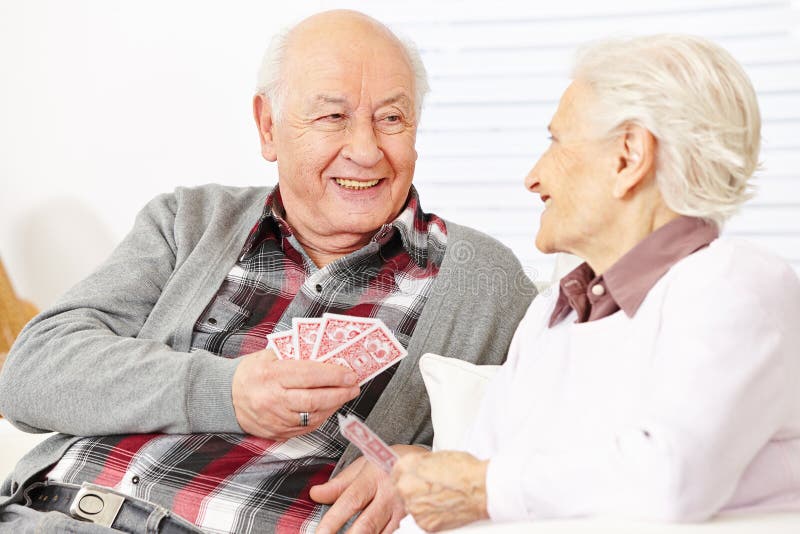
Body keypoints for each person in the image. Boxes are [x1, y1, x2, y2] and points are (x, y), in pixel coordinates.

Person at [0, 10, 535, 534]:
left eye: (391, 118)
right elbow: (28, 376)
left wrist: (424, 464)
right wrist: (227, 391)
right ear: (267, 127)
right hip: (41, 511)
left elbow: (552, 441)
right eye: (332, 116)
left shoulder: (483, 281)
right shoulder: (189, 222)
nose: (367, 150)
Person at [392, 34, 800, 532]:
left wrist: (483, 488)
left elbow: (666, 480)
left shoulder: (734, 283)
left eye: (556, 142)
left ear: (628, 157)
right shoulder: (555, 312)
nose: (533, 178)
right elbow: (460, 489)